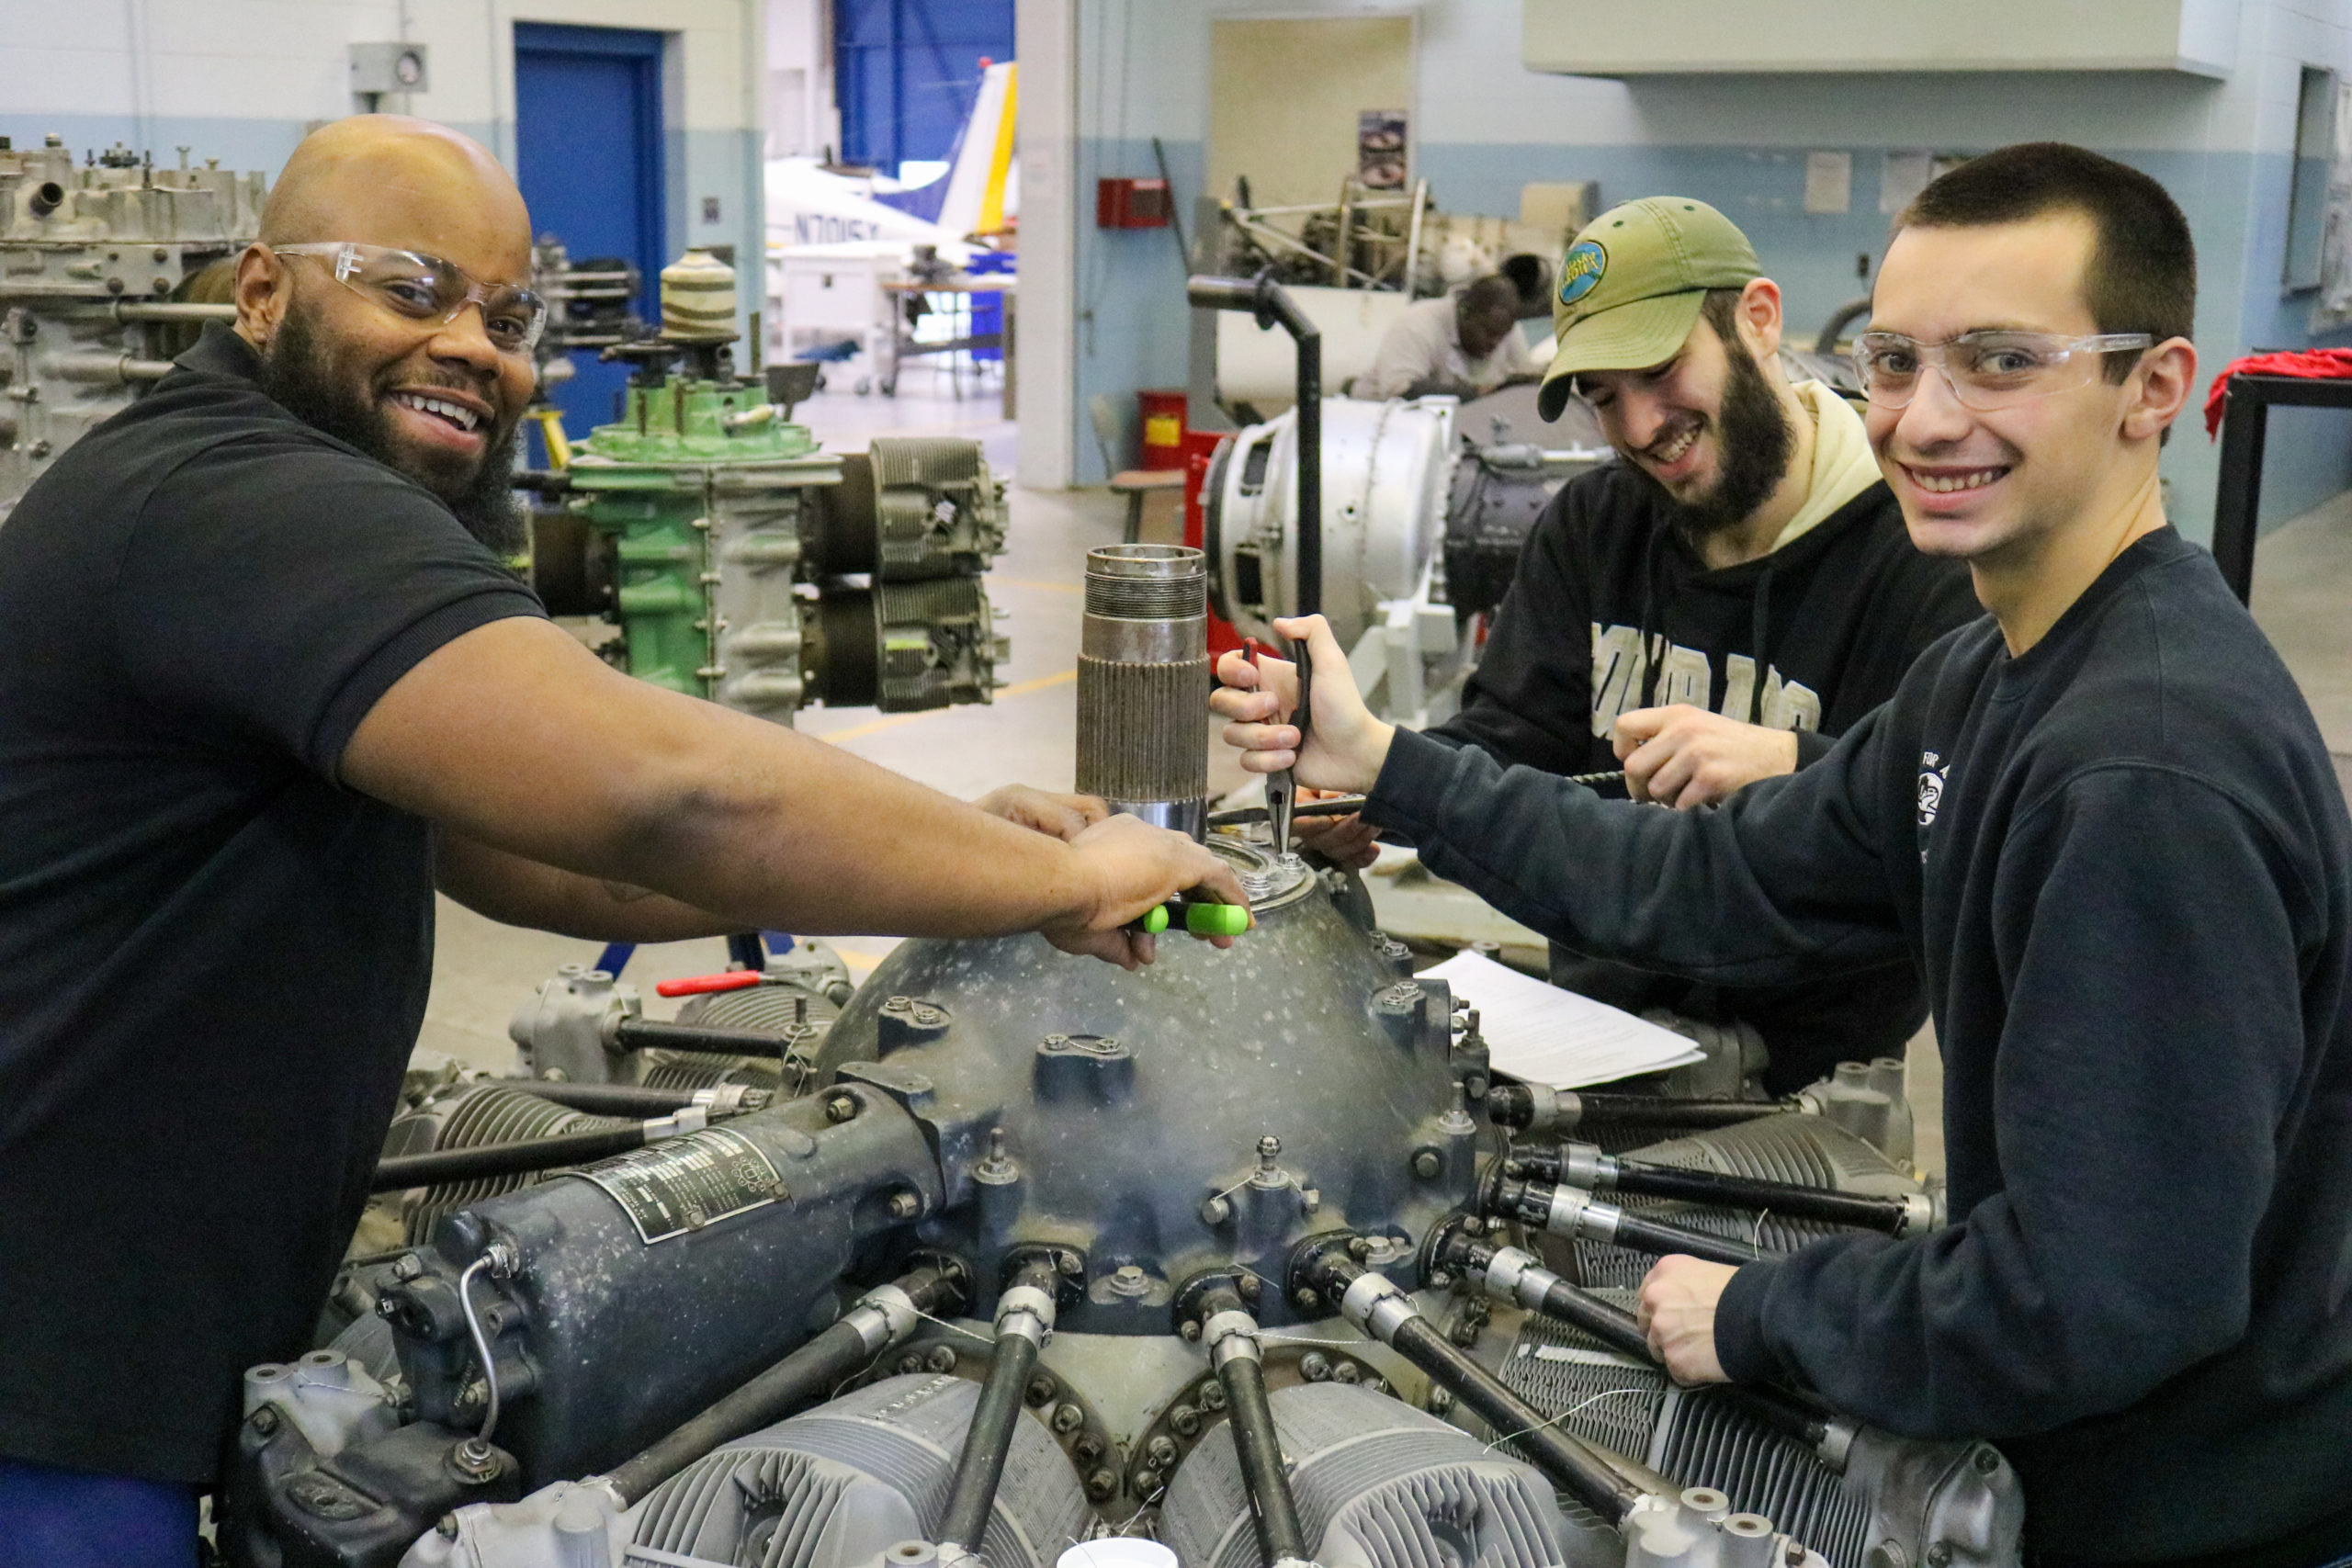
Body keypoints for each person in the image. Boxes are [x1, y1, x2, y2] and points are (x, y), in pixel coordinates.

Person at [0, 118, 1243, 1562]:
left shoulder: (260, 504)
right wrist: (1068, 878)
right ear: (265, 292)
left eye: (510, 316)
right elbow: (673, 796)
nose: (476, 344)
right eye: (411, 288)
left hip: (133, 1323)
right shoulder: (244, 499)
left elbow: (560, 859)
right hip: (49, 1371)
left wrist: (955, 843)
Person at [1216, 143, 2352, 1562]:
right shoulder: (1992, 676)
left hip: (2200, 1509)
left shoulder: (2141, 773)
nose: (1928, 419)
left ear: (2156, 389)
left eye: (2000, 361)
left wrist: (1759, 1313)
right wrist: (1390, 765)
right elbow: (1701, 880)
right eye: (1894, 359)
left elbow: (2097, 1295)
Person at [1313, 197, 1978, 1094]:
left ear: (1757, 319)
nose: (1636, 428)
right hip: (1586, 1046)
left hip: (1807, 1086)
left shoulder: (1920, 554)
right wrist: (1377, 795)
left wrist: (1792, 760)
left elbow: (1934, 826)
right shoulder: (1593, 525)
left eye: (1659, 371)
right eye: (1601, 398)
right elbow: (1508, 742)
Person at [1353, 274, 1539, 401]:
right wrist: (1480, 394)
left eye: (1502, 336)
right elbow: (1400, 390)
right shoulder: (1417, 324)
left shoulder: (1506, 330)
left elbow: (1526, 388)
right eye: (1488, 333)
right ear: (1465, 313)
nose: (1496, 343)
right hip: (1381, 419)